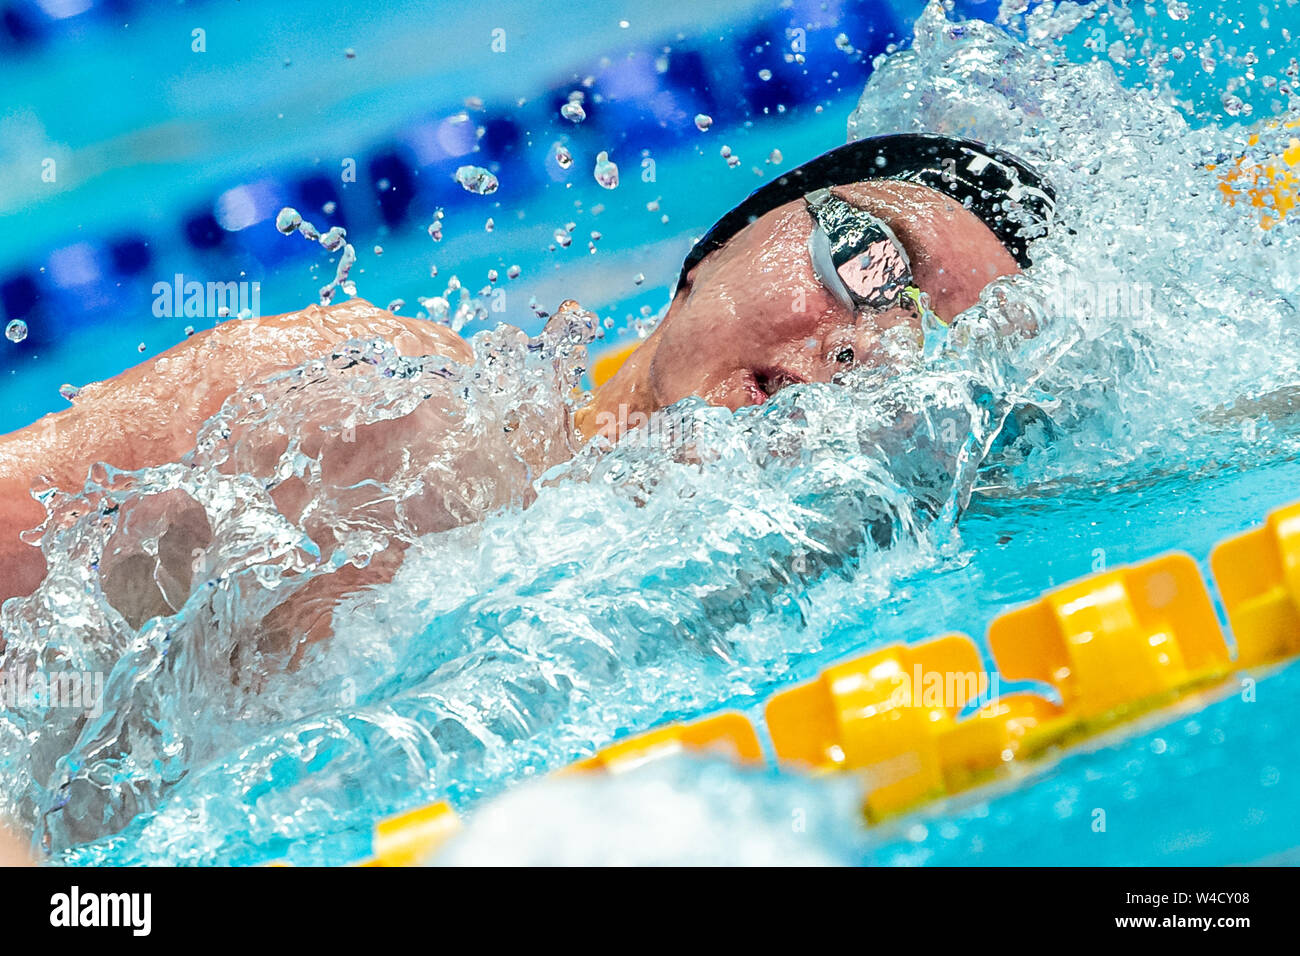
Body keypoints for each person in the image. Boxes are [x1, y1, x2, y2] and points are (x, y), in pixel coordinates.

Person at [0, 134, 1054, 632]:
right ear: (715, 249)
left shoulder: (753, 627)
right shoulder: (370, 403)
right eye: (872, 264)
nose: (869, 349)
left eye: (934, 355)